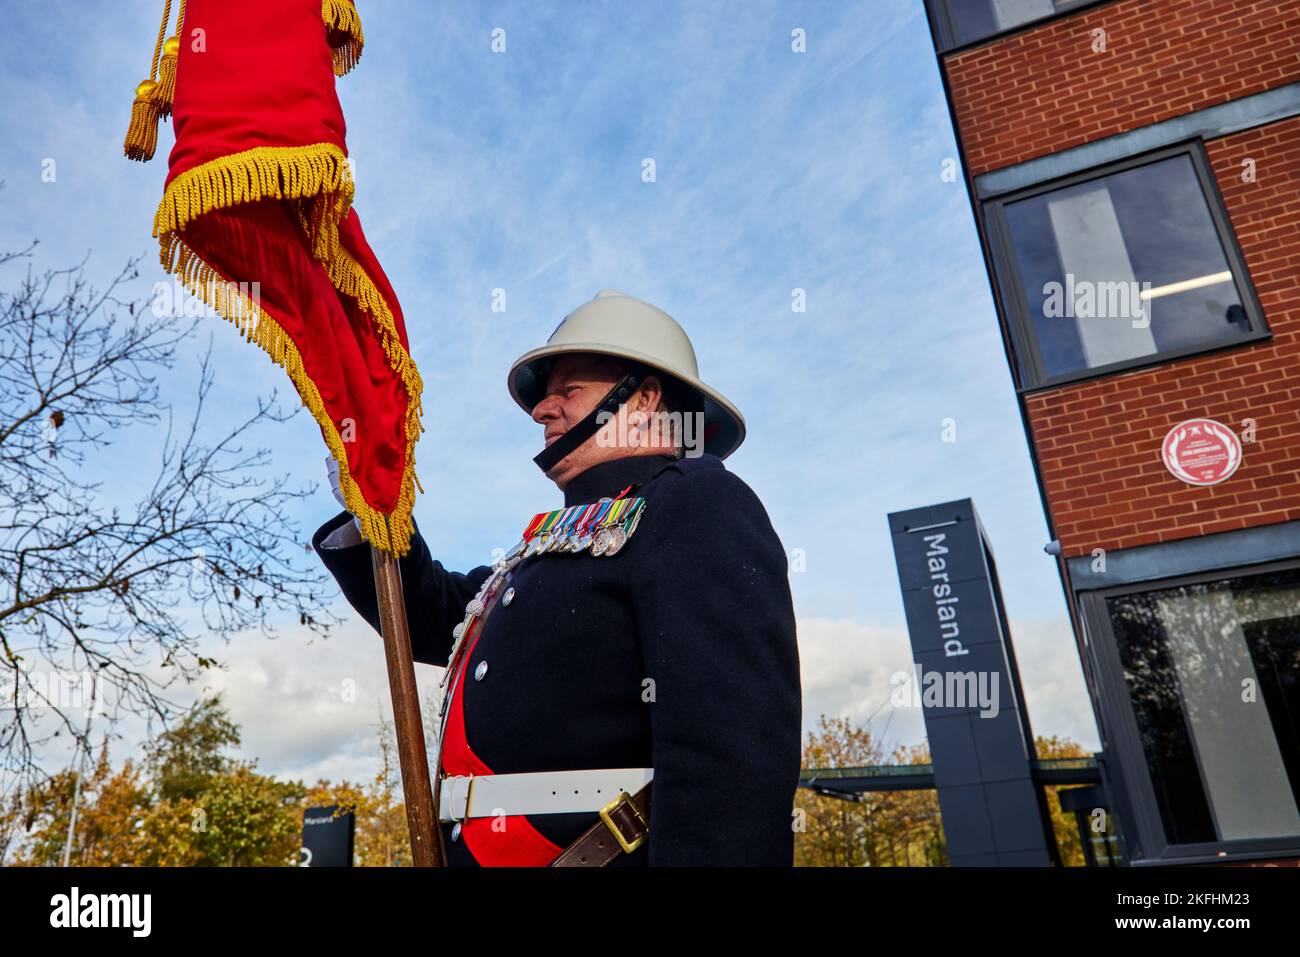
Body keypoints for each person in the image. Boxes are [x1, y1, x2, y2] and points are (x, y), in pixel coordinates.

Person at [313, 289, 802, 866]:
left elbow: (732, 756)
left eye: (568, 390)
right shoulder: (545, 549)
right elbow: (431, 615)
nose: (543, 410)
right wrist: (371, 504)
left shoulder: (696, 501)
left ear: (643, 399)